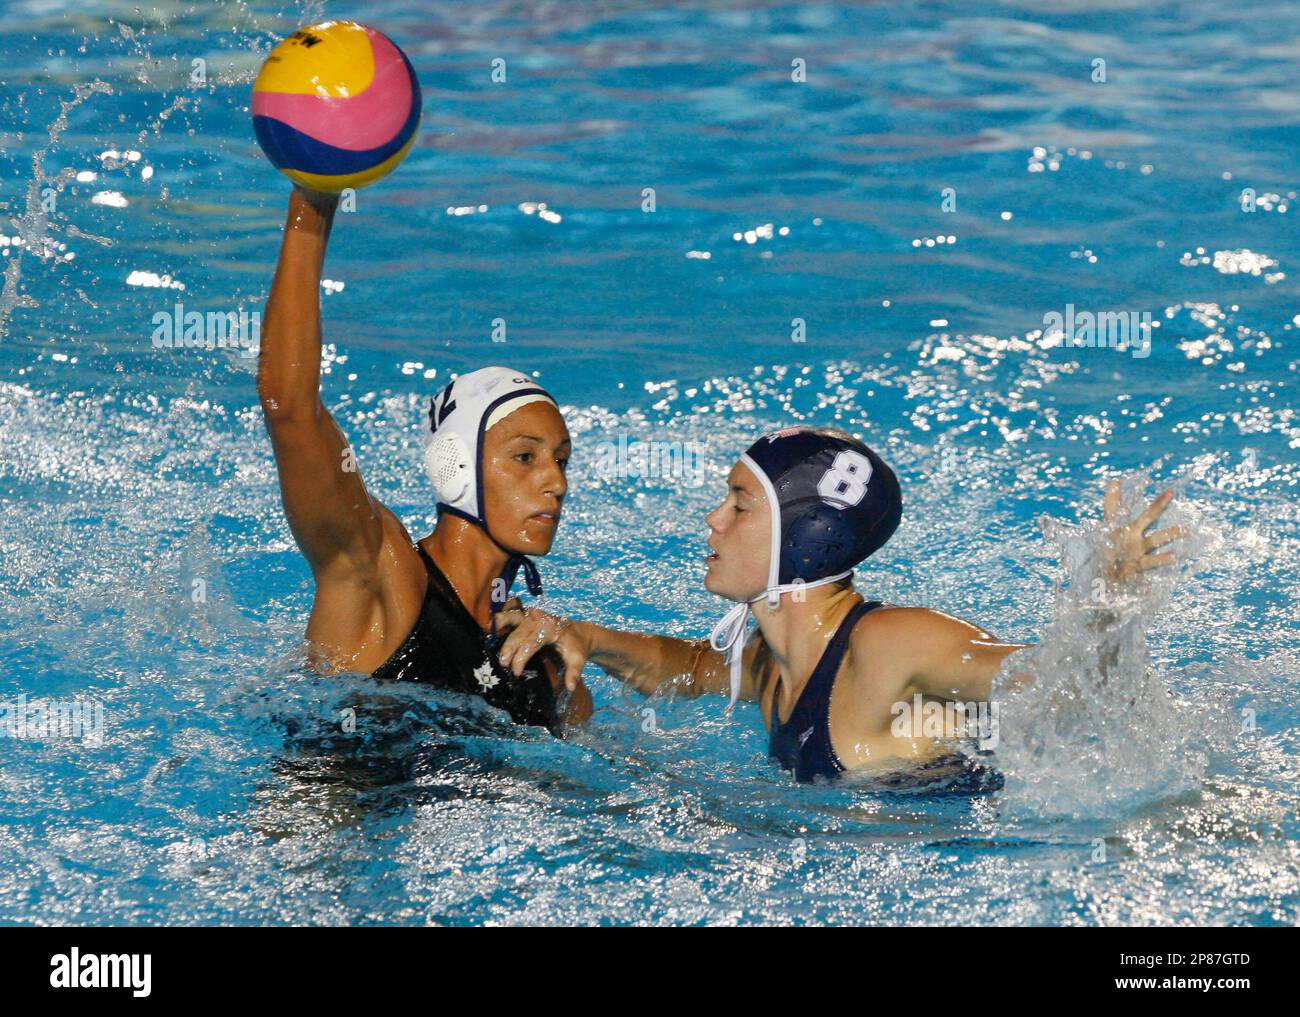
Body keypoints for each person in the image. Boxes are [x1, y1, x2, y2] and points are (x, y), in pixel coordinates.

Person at [493, 426, 1185, 780]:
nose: (713, 519)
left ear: (805, 536)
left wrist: (1108, 602)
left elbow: (1061, 686)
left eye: (738, 502)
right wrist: (578, 631)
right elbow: (690, 668)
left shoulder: (891, 644)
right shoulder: (774, 660)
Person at [257, 186, 592, 735]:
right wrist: (311, 200)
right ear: (455, 465)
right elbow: (289, 406)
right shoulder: (378, 575)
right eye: (525, 457)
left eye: (561, 459)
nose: (555, 481)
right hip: (329, 814)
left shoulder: (549, 668)